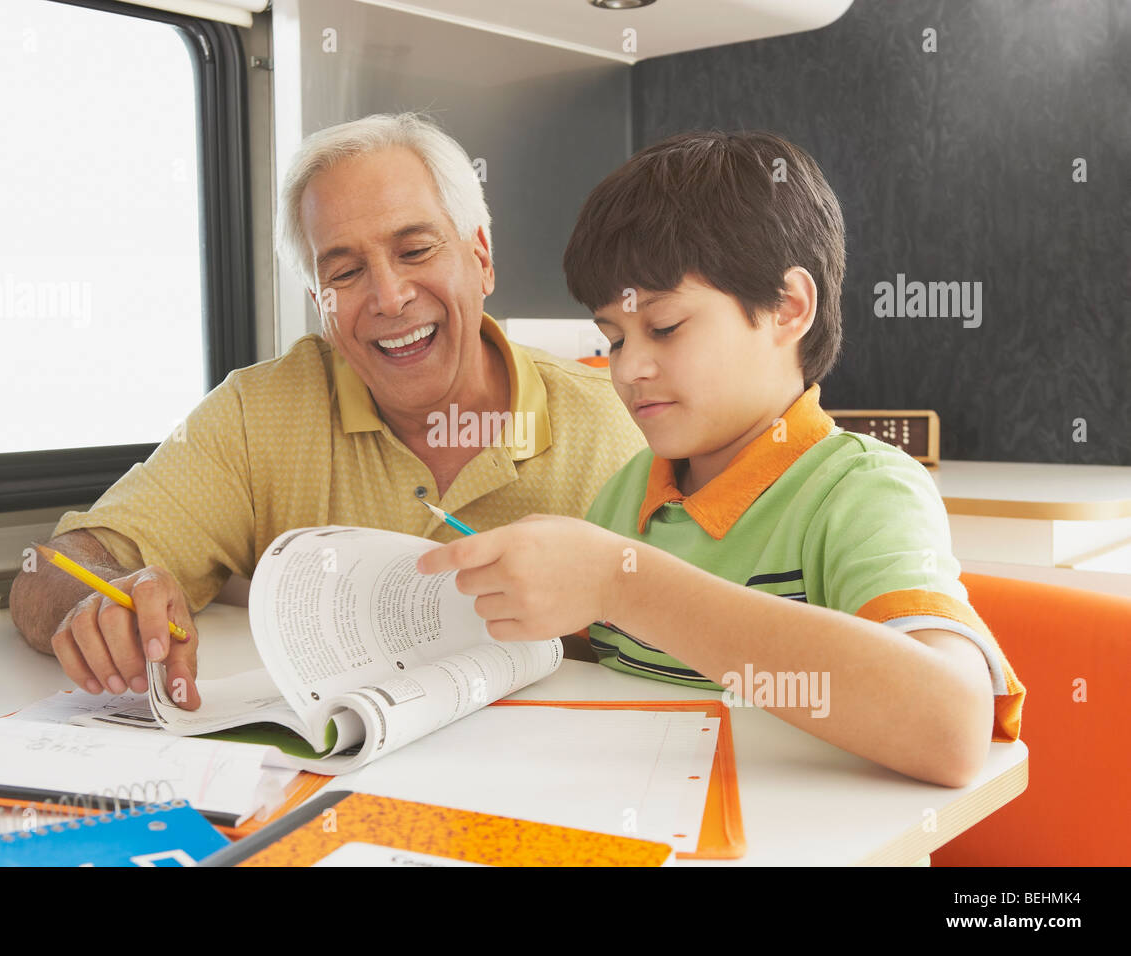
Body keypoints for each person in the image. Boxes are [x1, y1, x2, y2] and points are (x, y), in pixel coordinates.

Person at [417, 130, 1025, 788]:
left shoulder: (865, 493)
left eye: (666, 327)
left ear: (788, 308)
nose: (629, 368)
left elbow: (953, 730)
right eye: (613, 339)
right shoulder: (627, 494)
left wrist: (622, 583)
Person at [10, 113, 646, 708]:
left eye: (416, 250)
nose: (389, 298)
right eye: (344, 272)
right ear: (319, 300)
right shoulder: (255, 415)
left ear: (480, 258)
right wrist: (97, 601)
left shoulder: (622, 422)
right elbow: (53, 564)